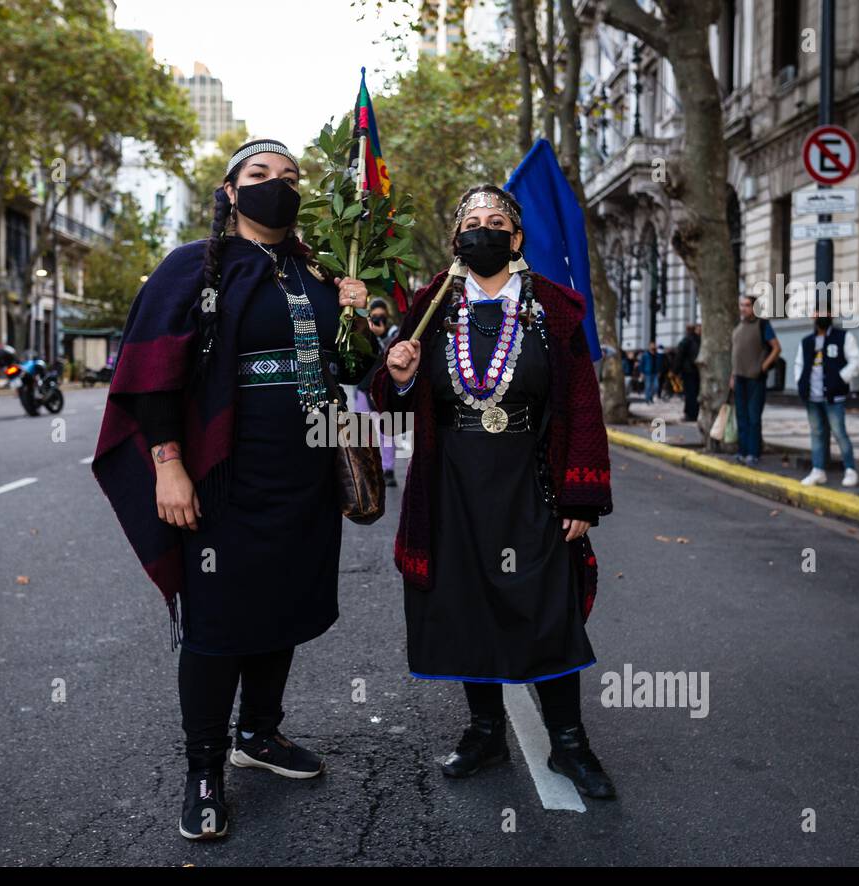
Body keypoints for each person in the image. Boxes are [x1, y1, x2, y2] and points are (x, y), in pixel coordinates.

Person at [91, 138, 374, 841]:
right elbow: (150, 371)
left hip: (304, 475)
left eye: (288, 176)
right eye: (259, 175)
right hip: (223, 479)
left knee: (283, 607)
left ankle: (262, 734)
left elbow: (356, 369)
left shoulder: (317, 274)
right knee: (217, 627)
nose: (276, 185)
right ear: (228, 190)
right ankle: (205, 771)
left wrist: (360, 316)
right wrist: (168, 464)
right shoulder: (193, 268)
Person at [372, 185, 616, 800]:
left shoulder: (554, 310)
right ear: (457, 241)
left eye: (497, 222)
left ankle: (569, 742)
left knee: (546, 610)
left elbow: (583, 406)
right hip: (450, 485)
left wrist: (581, 496)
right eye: (471, 223)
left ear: (516, 238)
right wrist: (397, 376)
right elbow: (387, 396)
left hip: (530, 484)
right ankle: (484, 733)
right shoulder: (430, 306)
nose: (483, 231)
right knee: (465, 607)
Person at [793, 311, 859, 487]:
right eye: (817, 313)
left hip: (834, 396)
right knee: (816, 433)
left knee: (839, 432)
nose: (821, 316)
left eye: (825, 312)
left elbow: (856, 361)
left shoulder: (844, 337)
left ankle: (850, 470)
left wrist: (840, 379)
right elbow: (798, 364)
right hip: (812, 397)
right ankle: (818, 470)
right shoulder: (807, 341)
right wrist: (801, 382)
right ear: (812, 316)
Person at [729, 294, 781, 465]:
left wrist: (762, 367)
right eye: (741, 305)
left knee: (753, 417)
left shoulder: (763, 325)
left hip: (755, 379)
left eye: (747, 305)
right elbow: (735, 354)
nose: (743, 308)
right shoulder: (738, 327)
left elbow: (776, 348)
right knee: (741, 416)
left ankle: (753, 452)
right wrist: (732, 375)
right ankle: (742, 451)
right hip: (739, 377)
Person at [356, 297, 400, 486]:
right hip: (364, 387)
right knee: (362, 430)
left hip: (386, 389)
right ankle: (367, 470)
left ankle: (388, 470)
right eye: (374, 316)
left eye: (382, 315)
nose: (378, 319)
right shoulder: (363, 333)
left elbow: (396, 355)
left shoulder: (395, 332)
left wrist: (382, 337)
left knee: (388, 432)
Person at [677, 323, 701, 421]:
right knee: (693, 393)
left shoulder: (687, 340)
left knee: (690, 393)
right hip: (695, 370)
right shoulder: (697, 340)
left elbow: (679, 356)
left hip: (689, 370)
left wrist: (675, 370)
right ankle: (693, 413)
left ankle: (691, 414)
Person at [638, 341, 659, 405]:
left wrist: (659, 371)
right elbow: (641, 364)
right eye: (652, 345)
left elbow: (658, 364)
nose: (653, 346)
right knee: (648, 386)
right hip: (647, 373)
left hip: (655, 373)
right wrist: (641, 372)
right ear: (649, 346)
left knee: (656, 386)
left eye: (654, 345)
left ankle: (650, 397)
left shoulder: (656, 354)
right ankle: (647, 399)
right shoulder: (645, 355)